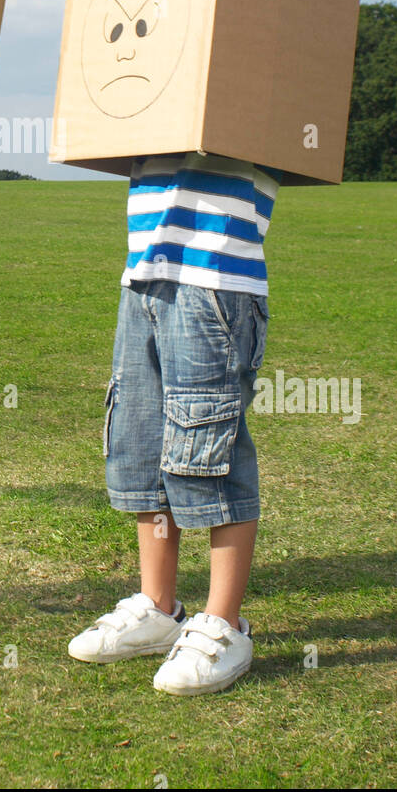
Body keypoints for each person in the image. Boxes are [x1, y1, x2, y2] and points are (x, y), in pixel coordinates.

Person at [68, 151, 279, 694]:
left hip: (217, 273)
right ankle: (160, 607)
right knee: (141, 442)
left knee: (210, 446)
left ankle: (224, 623)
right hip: (144, 273)